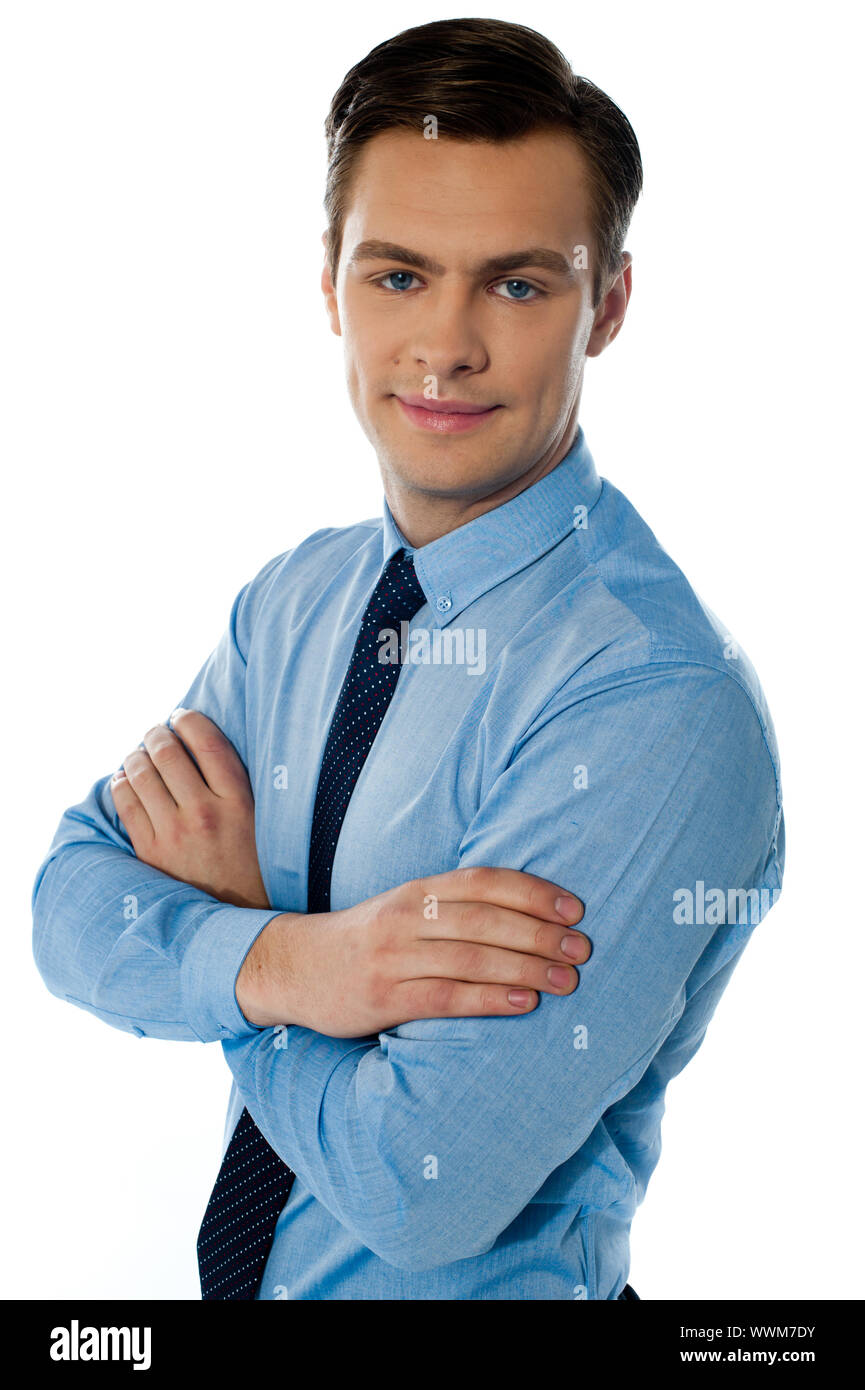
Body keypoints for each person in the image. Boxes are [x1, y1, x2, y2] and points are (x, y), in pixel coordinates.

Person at [32, 17, 784, 1301]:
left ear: (605, 304)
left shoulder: (652, 699)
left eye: (516, 283)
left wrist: (230, 950)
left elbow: (419, 1181)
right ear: (328, 280)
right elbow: (67, 910)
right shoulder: (295, 601)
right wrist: (300, 963)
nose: (445, 346)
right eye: (397, 276)